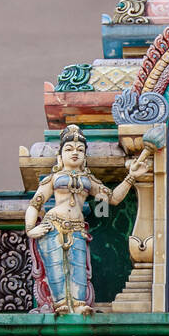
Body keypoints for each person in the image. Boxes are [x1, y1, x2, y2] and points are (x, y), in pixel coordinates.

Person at [26, 124, 148, 315]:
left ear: (84, 156)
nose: (75, 153)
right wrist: (30, 228)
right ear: (60, 155)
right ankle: (60, 305)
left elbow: (113, 198)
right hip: (53, 225)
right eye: (69, 149)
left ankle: (79, 304)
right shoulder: (54, 178)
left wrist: (131, 177)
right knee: (56, 269)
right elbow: (35, 204)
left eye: (80, 150)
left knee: (78, 268)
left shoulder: (88, 179)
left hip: (77, 228)